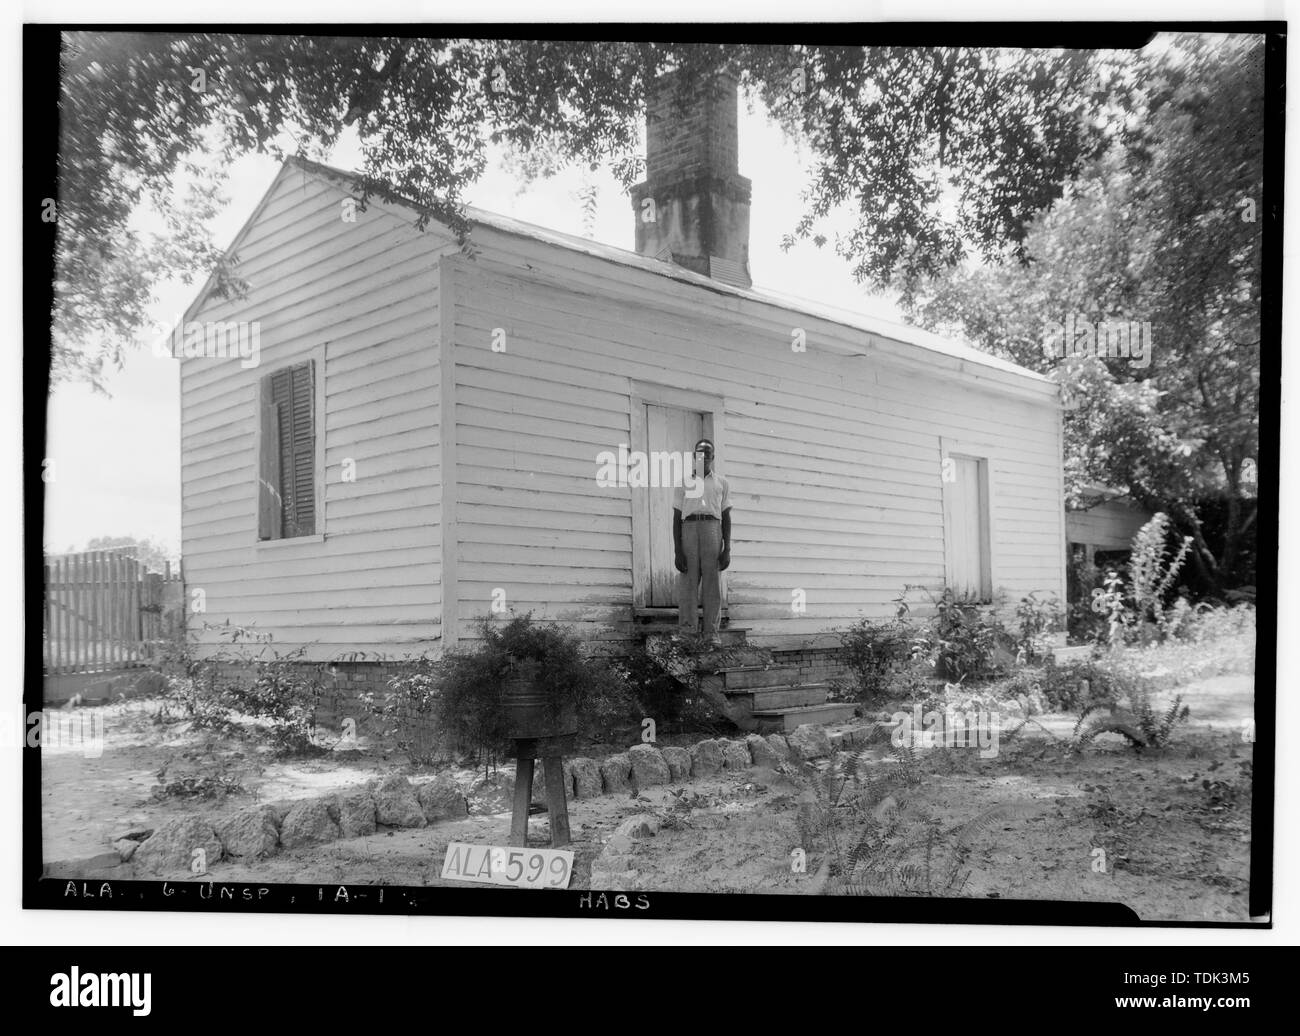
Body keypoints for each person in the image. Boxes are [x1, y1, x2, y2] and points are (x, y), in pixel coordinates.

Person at [672, 438, 732, 646]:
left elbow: (726, 516)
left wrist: (727, 549)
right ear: (694, 456)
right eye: (699, 453)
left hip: (712, 529)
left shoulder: (721, 483)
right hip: (689, 528)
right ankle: (687, 633)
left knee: (711, 584)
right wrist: (677, 550)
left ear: (712, 458)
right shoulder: (683, 482)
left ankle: (711, 634)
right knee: (688, 583)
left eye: (707, 454)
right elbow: (676, 517)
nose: (703, 457)